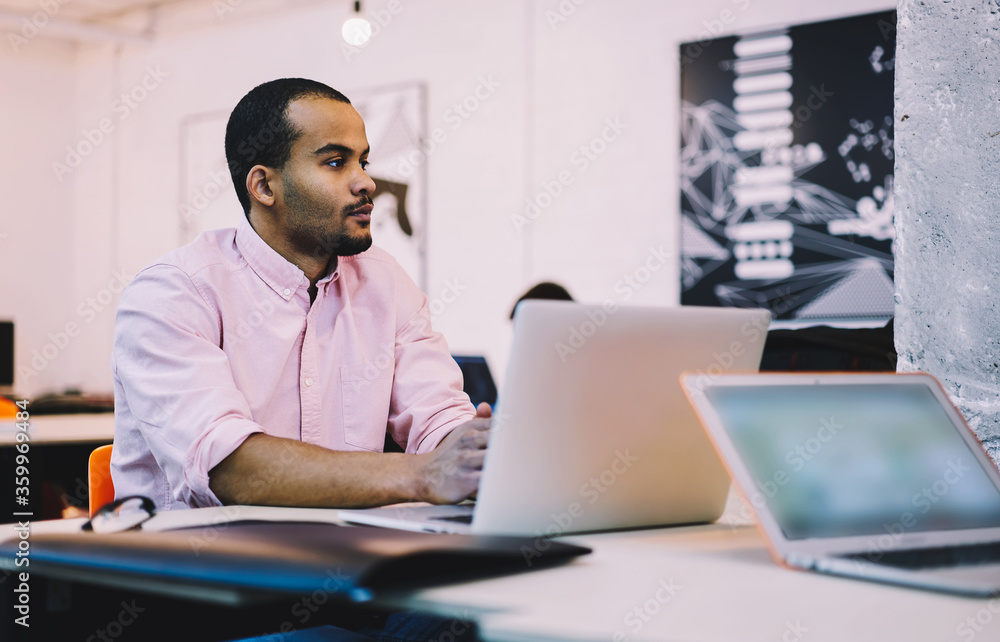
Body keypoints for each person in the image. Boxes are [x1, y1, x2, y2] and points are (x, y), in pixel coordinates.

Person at [110, 78, 491, 512]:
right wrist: (423, 475)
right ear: (265, 187)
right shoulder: (173, 292)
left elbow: (437, 414)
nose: (366, 182)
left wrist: (477, 450)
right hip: (189, 565)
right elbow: (232, 469)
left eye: (363, 161)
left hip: (342, 556)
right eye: (335, 162)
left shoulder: (386, 283)